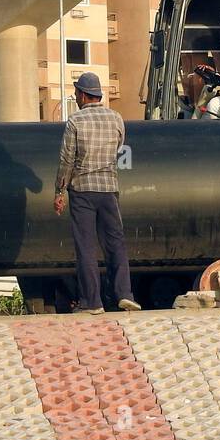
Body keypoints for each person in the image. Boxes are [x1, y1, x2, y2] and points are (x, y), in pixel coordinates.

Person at [53, 72, 141, 314]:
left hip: (82, 190)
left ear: (83, 94)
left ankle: (92, 302)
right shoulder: (116, 119)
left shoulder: (75, 121)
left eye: (76, 93)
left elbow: (67, 159)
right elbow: (119, 147)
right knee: (115, 243)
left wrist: (59, 191)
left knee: (86, 246)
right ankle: (124, 294)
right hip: (109, 189)